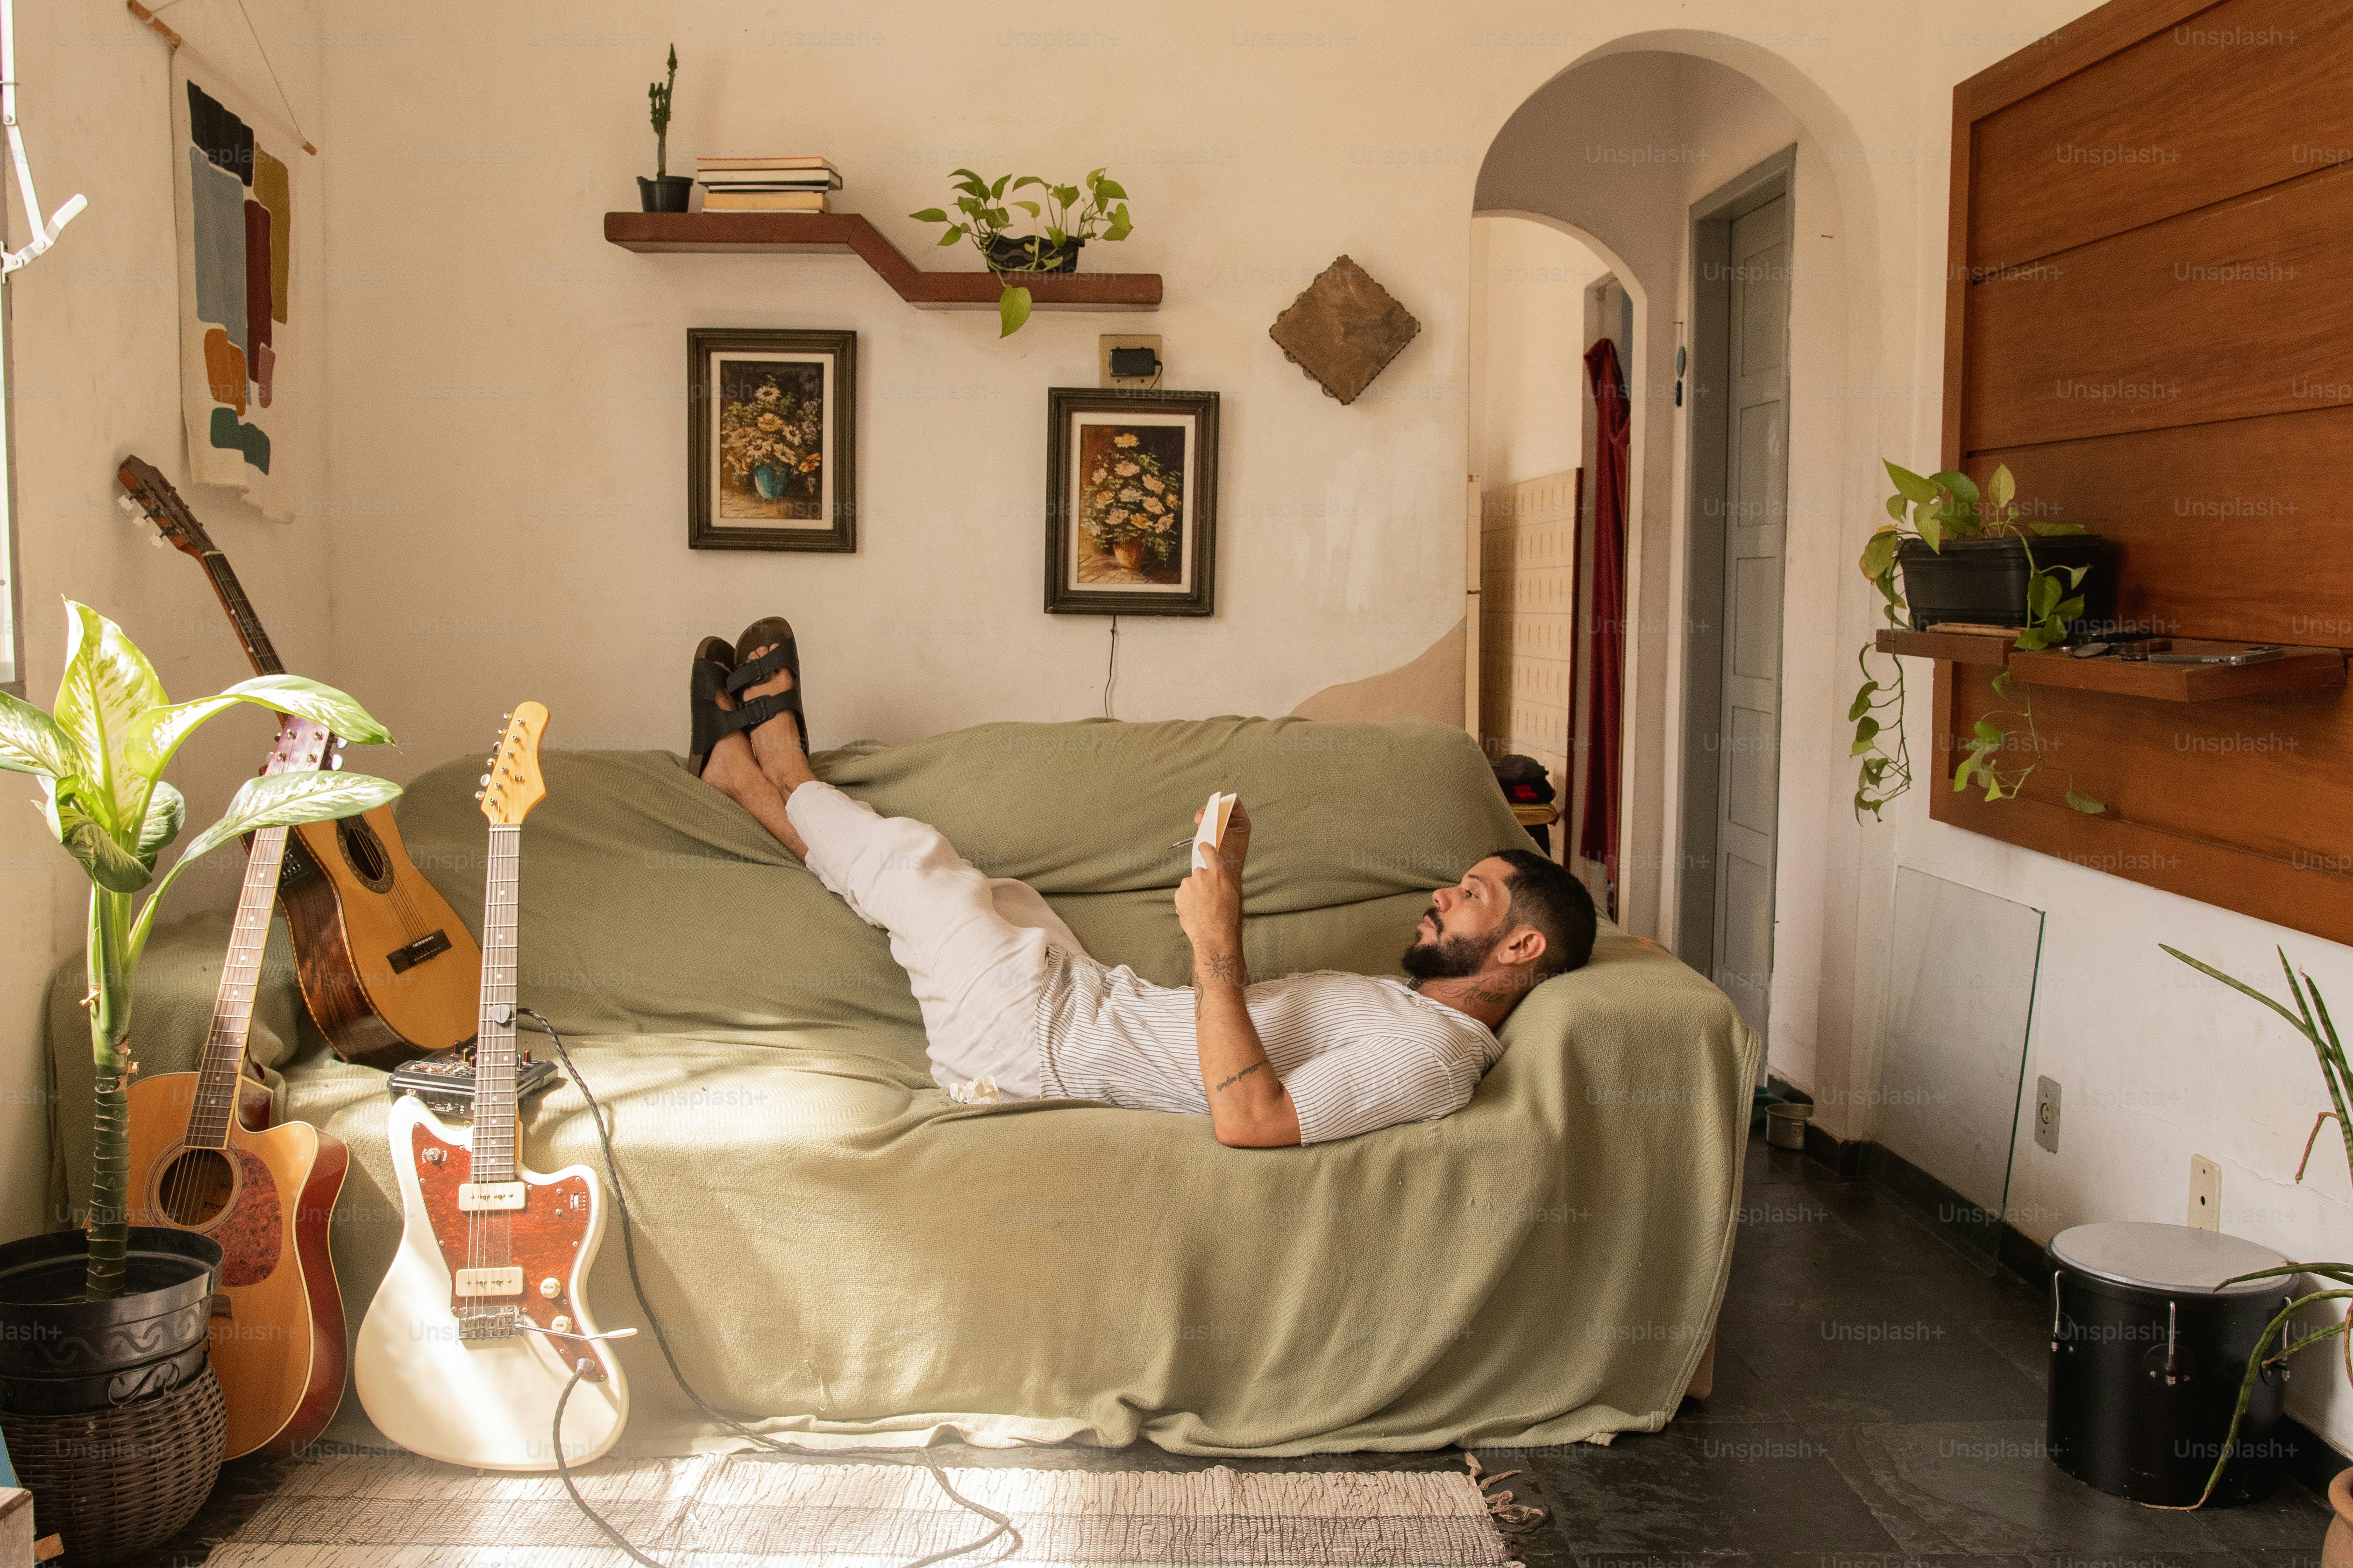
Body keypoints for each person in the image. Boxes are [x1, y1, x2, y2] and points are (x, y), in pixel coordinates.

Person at [690, 620, 1597, 1148]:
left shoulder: (1430, 1057)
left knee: (919, 867)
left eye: (1472, 892)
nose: (1443, 893)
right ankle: (752, 782)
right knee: (987, 894)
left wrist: (1215, 939)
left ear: (1522, 946)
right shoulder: (1413, 1014)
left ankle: (778, 763)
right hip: (1074, 1004)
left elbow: (1252, 1117)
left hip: (1032, 1049)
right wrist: (1224, 878)